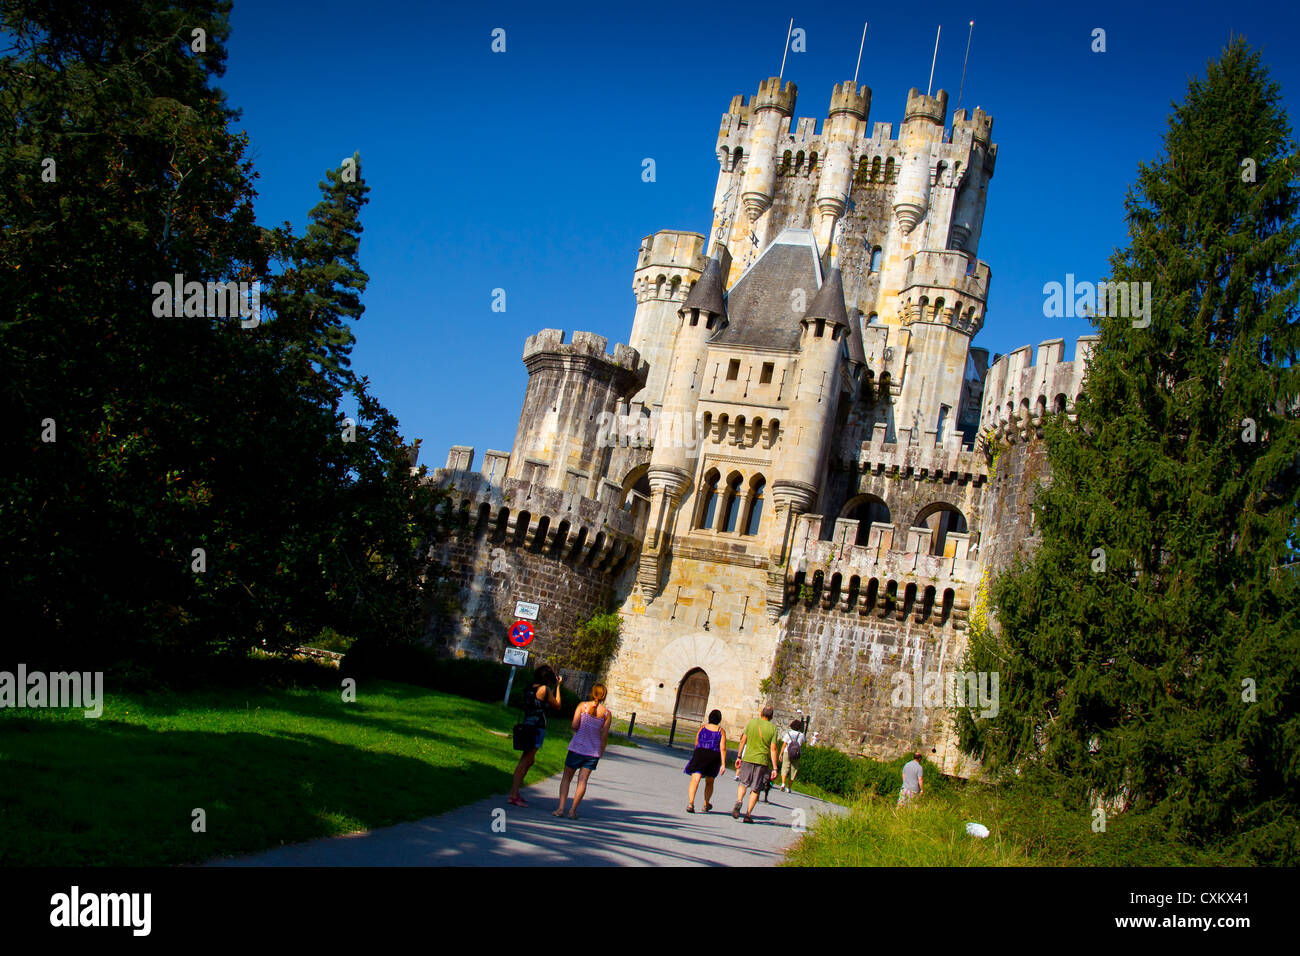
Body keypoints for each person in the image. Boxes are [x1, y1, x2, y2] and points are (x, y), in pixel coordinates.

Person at [554, 684, 612, 819]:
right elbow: (604, 734)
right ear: (604, 696)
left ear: (592, 693)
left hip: (577, 747)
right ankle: (573, 811)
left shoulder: (582, 706)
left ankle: (561, 808)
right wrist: (601, 751)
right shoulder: (607, 713)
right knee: (582, 781)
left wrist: (582, 727)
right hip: (592, 751)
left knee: (566, 779)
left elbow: (574, 725)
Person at [509, 665, 562, 807]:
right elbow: (557, 705)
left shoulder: (531, 687)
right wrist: (558, 687)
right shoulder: (544, 689)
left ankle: (516, 792)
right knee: (525, 761)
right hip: (536, 727)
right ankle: (513, 794)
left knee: (528, 760)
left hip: (527, 723)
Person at [732, 705, 779, 823]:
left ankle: (739, 801)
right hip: (762, 761)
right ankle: (748, 815)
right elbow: (773, 749)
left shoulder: (752, 723)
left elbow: (743, 740)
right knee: (756, 789)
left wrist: (739, 756)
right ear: (772, 716)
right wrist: (775, 768)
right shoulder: (773, 729)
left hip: (748, 758)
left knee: (743, 783)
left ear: (761, 713)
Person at [684, 709, 727, 813]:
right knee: (709, 782)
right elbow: (723, 748)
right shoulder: (720, 731)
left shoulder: (702, 728)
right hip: (713, 756)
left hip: (700, 754)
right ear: (719, 720)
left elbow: (697, 742)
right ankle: (705, 803)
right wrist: (723, 764)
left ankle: (691, 803)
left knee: (695, 779)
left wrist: (696, 754)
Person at [778, 719, 805, 793]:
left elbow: (784, 745)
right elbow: (802, 743)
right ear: (799, 727)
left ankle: (783, 784)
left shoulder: (788, 734)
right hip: (796, 753)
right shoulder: (801, 735)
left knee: (784, 768)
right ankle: (789, 787)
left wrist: (781, 753)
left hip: (787, 752)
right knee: (794, 770)